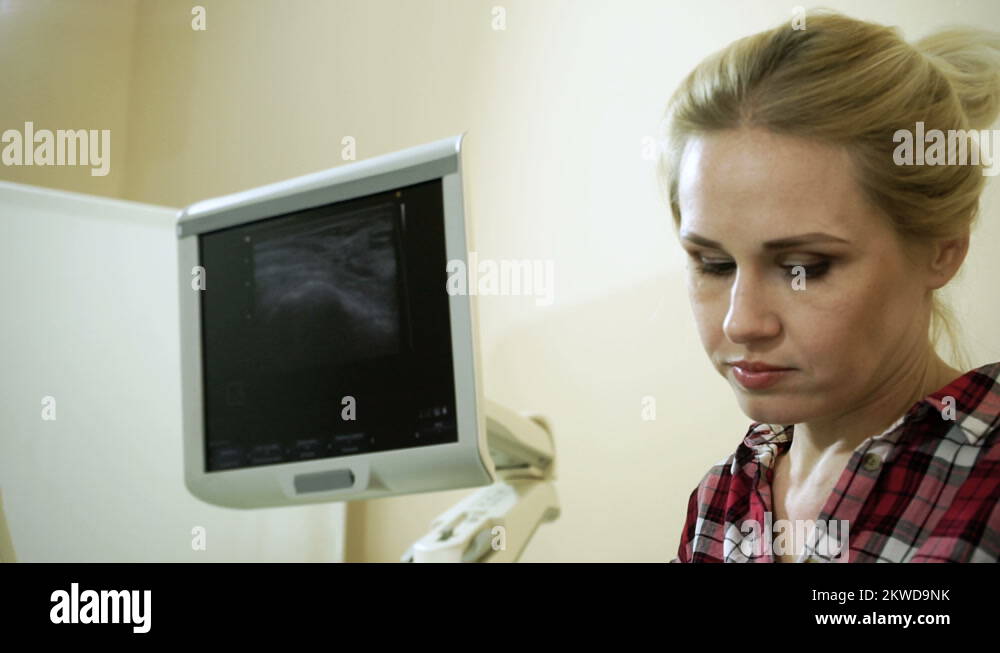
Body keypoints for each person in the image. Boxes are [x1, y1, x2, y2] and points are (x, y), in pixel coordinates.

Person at [661, 11, 1000, 562]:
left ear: (941, 248)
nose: (741, 322)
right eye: (714, 264)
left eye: (806, 267)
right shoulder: (717, 506)